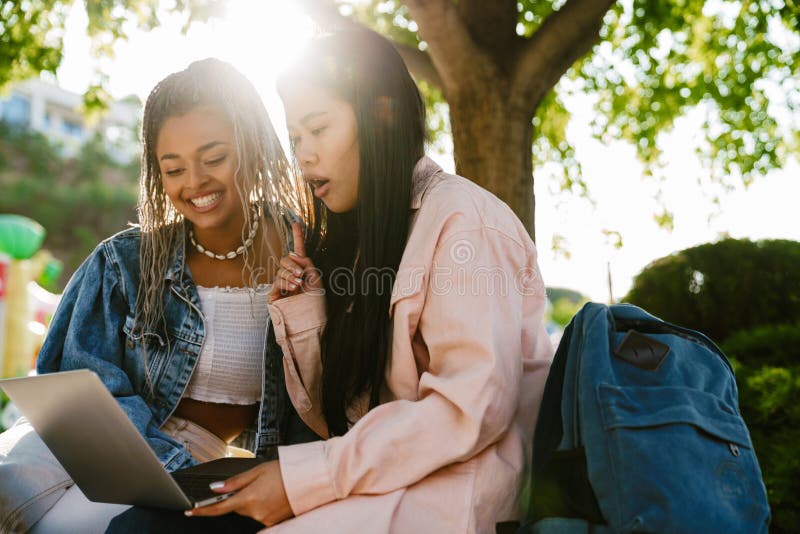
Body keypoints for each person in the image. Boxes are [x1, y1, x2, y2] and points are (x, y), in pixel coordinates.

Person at [110, 29, 554, 533]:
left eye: (318, 129)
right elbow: (343, 420)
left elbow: (468, 410)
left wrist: (302, 480)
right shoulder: (371, 238)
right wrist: (306, 317)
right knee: (142, 524)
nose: (304, 155)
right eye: (296, 137)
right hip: (379, 485)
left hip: (457, 496)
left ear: (377, 117)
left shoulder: (464, 223)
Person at [0, 58, 312, 533]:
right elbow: (75, 384)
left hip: (192, 469)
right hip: (88, 449)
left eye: (214, 159)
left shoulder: (307, 254)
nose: (195, 183)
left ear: (251, 146)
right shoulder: (124, 263)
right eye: (173, 168)